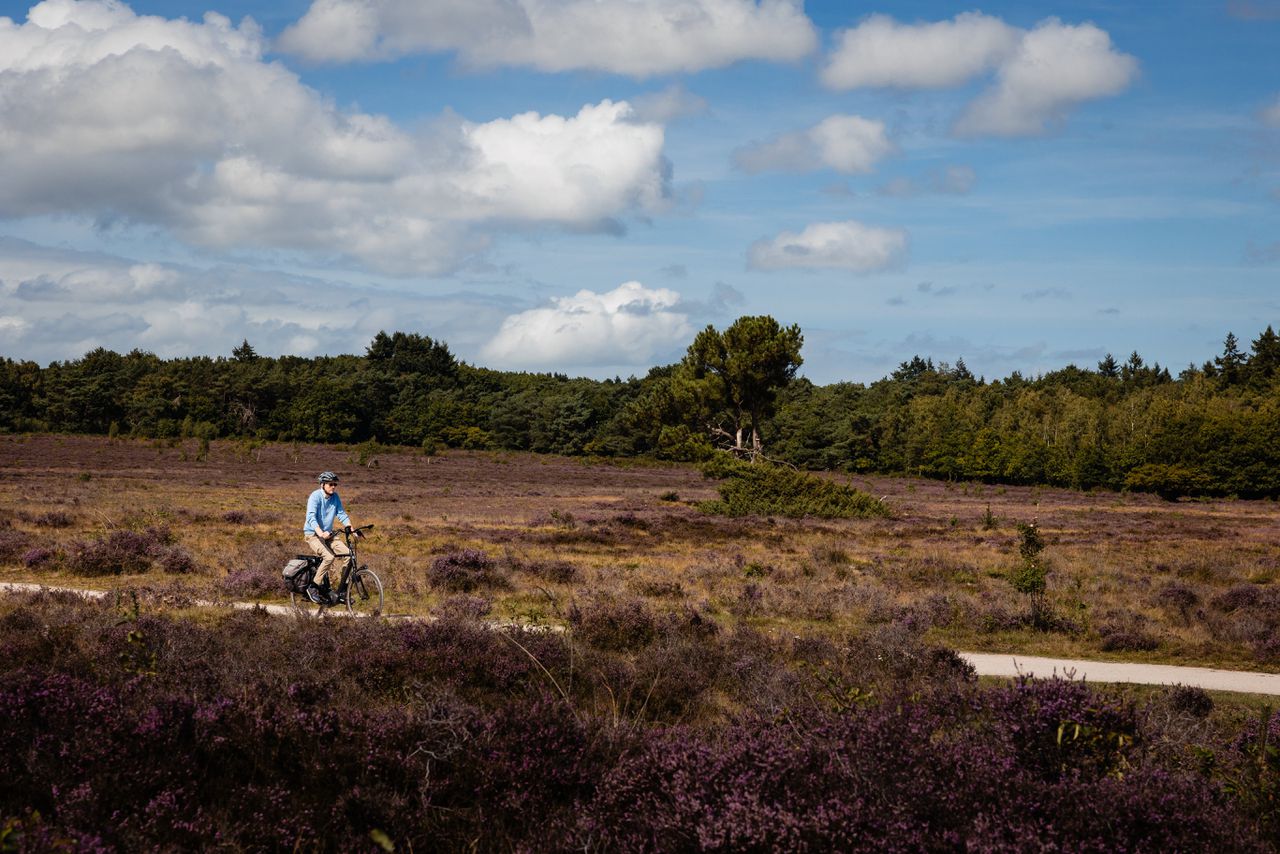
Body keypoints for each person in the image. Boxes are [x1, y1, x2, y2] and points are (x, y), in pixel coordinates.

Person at [303, 471, 361, 604]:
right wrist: (320, 532)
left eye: (335, 484)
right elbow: (311, 517)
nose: (333, 487)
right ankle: (313, 587)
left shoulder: (335, 497)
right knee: (328, 557)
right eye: (331, 484)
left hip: (328, 535)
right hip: (312, 534)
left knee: (349, 555)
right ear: (323, 485)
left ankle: (342, 591)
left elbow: (341, 514)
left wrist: (352, 530)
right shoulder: (315, 496)